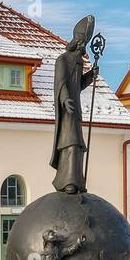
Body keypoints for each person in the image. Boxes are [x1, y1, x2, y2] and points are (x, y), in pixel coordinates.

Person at [51, 16, 100, 194]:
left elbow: (77, 85)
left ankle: (77, 181)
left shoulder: (78, 62)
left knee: (79, 145)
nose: (83, 47)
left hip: (76, 108)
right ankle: (66, 182)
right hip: (67, 108)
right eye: (82, 43)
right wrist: (64, 99)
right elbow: (61, 83)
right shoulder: (62, 60)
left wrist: (91, 75)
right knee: (70, 143)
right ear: (77, 41)